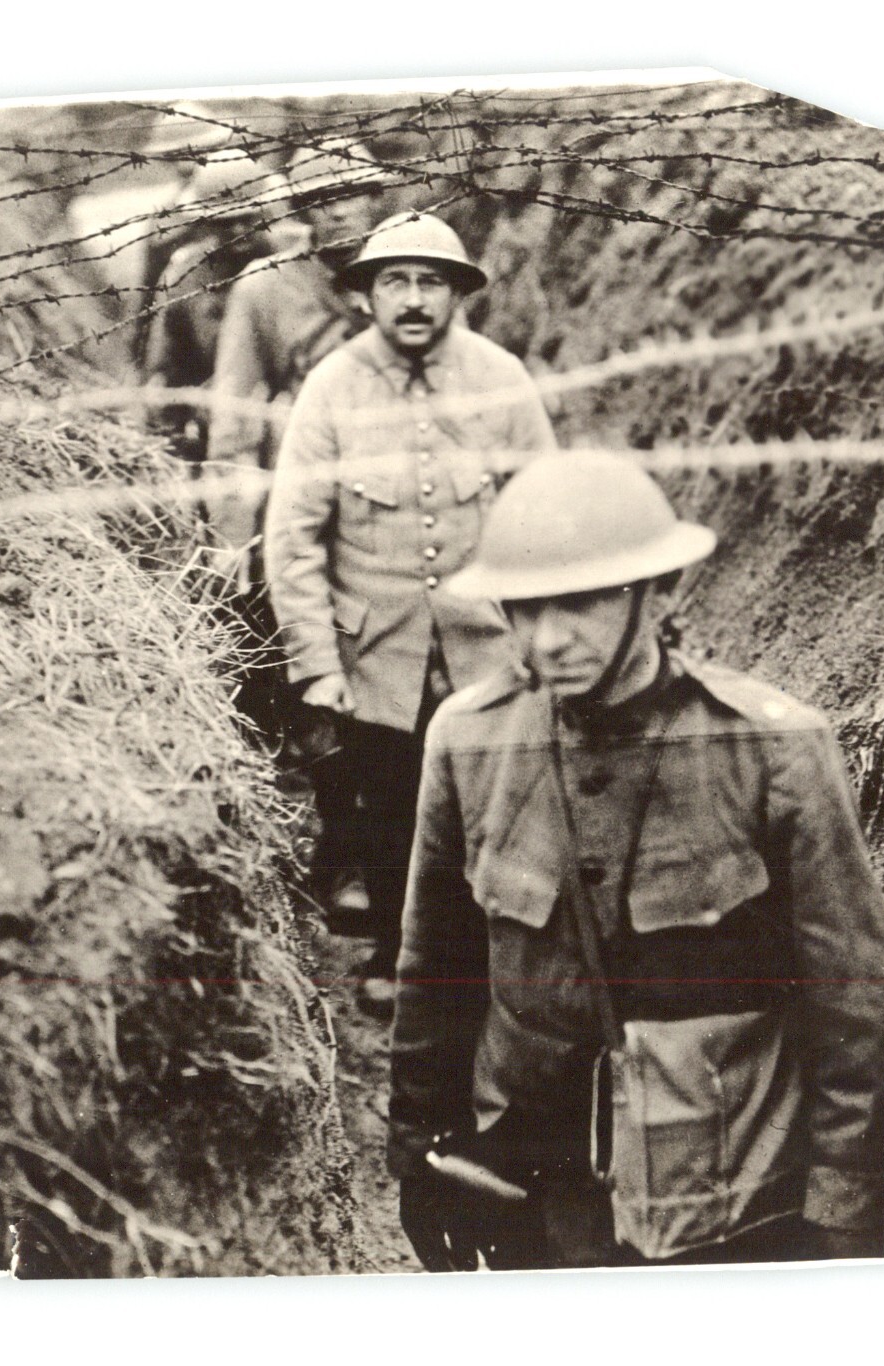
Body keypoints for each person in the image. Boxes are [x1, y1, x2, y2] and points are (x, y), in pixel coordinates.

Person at [389, 450, 884, 1269]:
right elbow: (436, 973)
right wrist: (419, 1158)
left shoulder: (770, 748)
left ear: (655, 594)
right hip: (536, 1196)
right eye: (522, 609)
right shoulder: (469, 739)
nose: (548, 639)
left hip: (728, 1211)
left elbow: (854, 1005)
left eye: (582, 604)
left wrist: (844, 1211)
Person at [263, 211, 557, 1009]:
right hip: (375, 658)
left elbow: (546, 516)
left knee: (496, 811)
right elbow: (292, 537)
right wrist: (316, 666)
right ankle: (401, 958)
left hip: (485, 652)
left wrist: (545, 648)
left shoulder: (501, 381)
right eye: (395, 281)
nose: (414, 299)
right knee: (390, 810)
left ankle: (498, 965)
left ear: (459, 293)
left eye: (432, 281)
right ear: (365, 297)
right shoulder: (332, 387)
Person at [204, 139, 390, 923]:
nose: (346, 209)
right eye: (330, 198)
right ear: (305, 211)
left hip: (388, 508)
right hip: (299, 507)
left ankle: (400, 859)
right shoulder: (265, 292)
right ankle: (343, 854)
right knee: (318, 681)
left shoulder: (405, 277)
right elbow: (237, 422)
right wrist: (235, 535)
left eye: (357, 194)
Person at [141, 152, 287, 464]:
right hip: (216, 423)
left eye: (248, 218)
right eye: (225, 221)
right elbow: (165, 370)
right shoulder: (186, 273)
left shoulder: (296, 260)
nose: (238, 231)